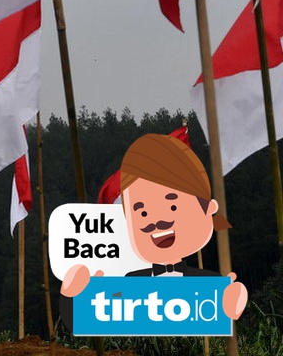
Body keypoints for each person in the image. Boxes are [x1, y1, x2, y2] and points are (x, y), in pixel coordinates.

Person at [60, 134, 248, 329]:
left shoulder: (209, 285)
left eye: (173, 207)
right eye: (143, 213)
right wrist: (73, 296)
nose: (157, 221)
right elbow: (88, 314)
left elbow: (223, 315)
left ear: (208, 208)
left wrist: (230, 304)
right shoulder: (130, 284)